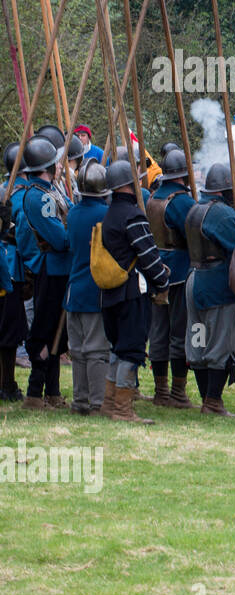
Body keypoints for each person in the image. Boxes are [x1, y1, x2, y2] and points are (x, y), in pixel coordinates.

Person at [99, 159, 171, 424]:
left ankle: (109, 404)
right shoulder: (132, 216)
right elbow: (149, 256)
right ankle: (121, 409)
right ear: (130, 185)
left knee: (118, 348)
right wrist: (162, 281)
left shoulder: (110, 214)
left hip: (112, 293)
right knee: (130, 349)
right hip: (131, 293)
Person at [183, 163, 235, 416]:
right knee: (219, 341)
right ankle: (213, 401)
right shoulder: (222, 214)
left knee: (199, 340)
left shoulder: (194, 208)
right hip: (216, 284)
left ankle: (207, 398)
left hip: (194, 280)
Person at [17, 136, 71, 409]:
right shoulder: (38, 197)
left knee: (57, 335)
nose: (60, 167)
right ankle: (35, 393)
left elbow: (70, 215)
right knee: (45, 329)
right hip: (51, 270)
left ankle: (52, 391)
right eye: (56, 164)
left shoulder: (53, 190)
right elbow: (61, 239)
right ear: (48, 167)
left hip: (62, 270)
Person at [146, 150, 197, 408]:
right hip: (178, 272)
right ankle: (176, 392)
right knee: (178, 334)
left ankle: (160, 391)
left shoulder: (154, 197)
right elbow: (195, 236)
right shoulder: (181, 202)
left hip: (155, 271)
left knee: (158, 333)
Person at [64, 162, 112, 415]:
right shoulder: (105, 215)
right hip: (94, 289)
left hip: (74, 289)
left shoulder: (73, 213)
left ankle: (80, 401)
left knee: (79, 350)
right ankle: (96, 403)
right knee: (96, 350)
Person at [0, 142, 30, 401]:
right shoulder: (19, 195)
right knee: (8, 331)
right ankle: (7, 384)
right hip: (9, 266)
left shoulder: (7, 190)